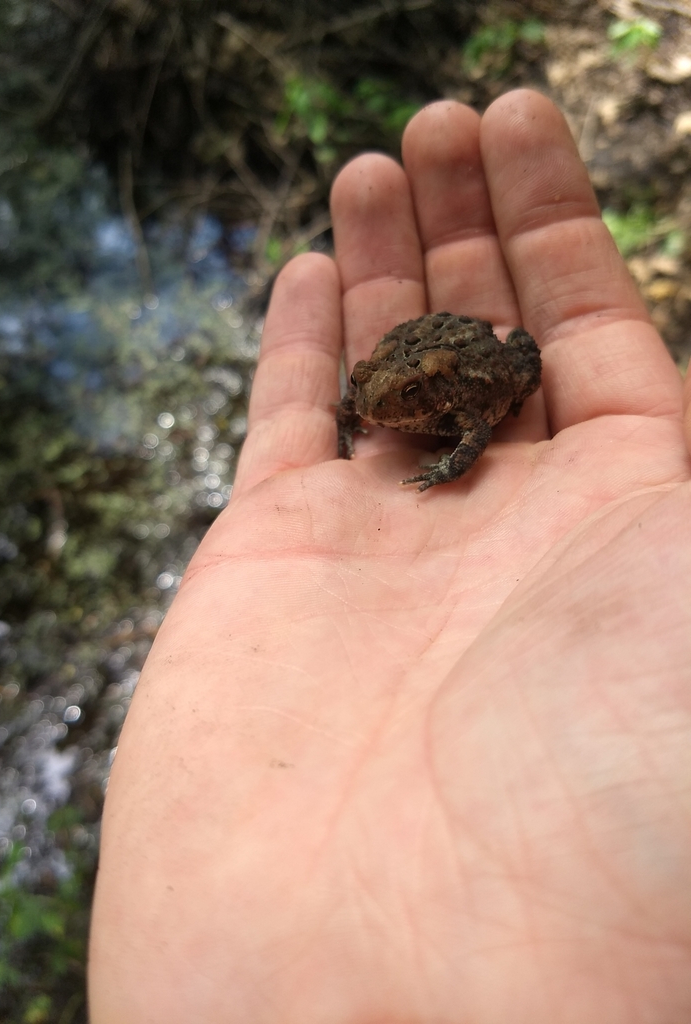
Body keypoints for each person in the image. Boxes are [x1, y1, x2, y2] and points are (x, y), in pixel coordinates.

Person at [88, 89, 691, 1023]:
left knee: (513, 357)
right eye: (372, 396)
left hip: (472, 362)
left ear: (418, 401)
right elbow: (359, 395)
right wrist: (351, 417)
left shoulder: (450, 403)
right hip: (427, 343)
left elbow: (479, 428)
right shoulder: (376, 393)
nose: (374, 407)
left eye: (390, 401)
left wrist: (448, 465)